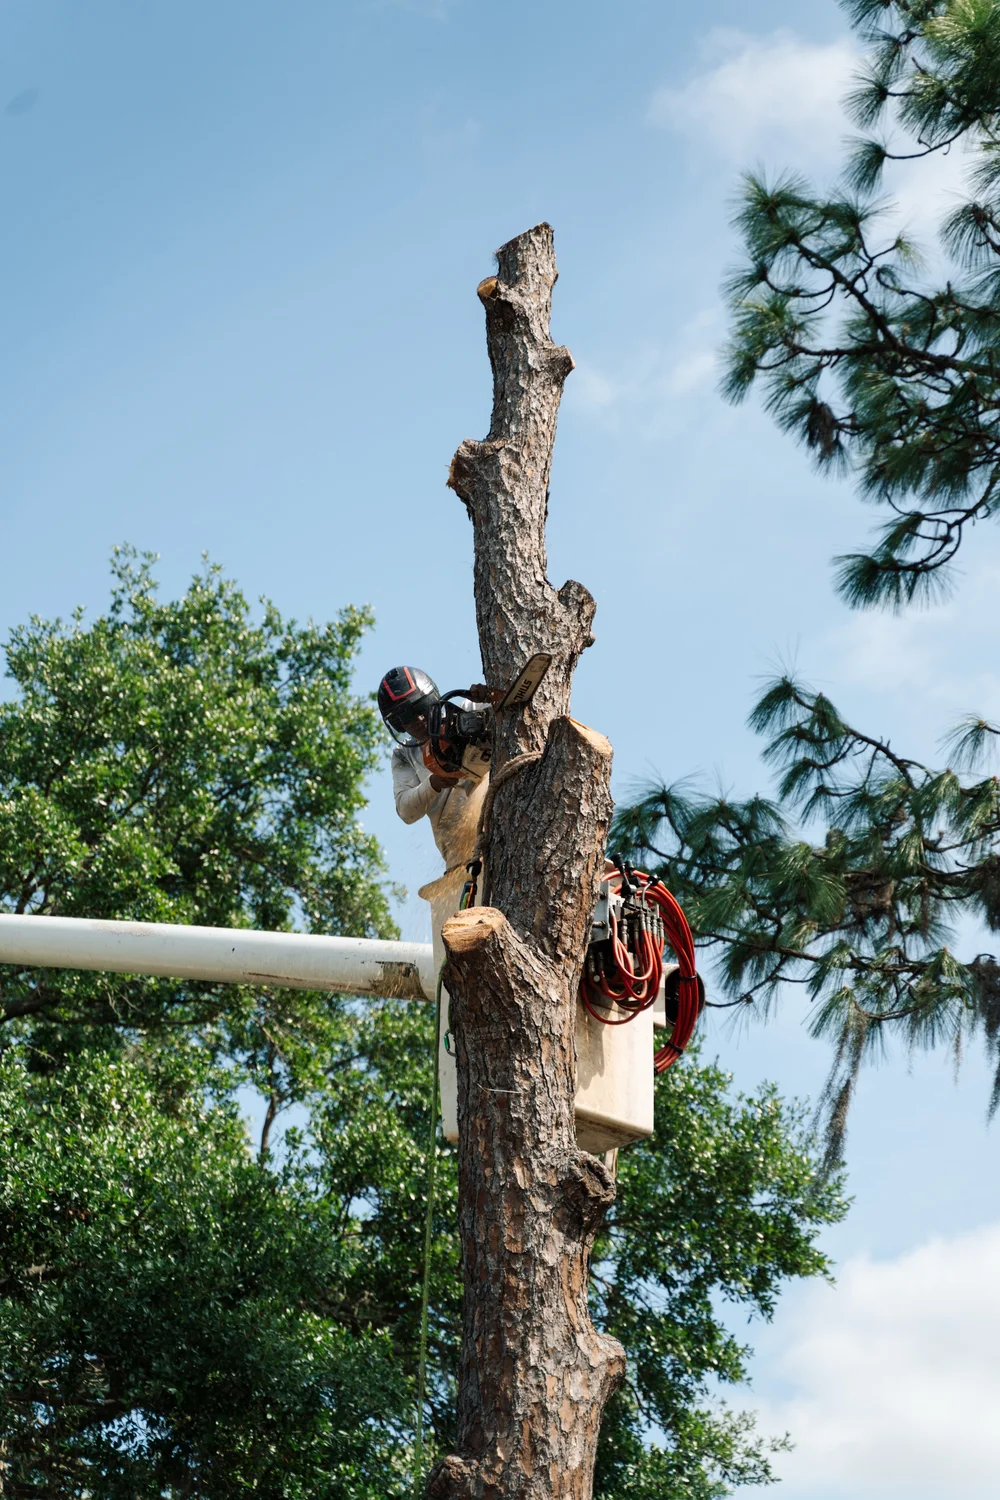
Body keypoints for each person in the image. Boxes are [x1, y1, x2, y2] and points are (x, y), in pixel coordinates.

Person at [377, 665, 485, 874]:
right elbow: (406, 811)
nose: (418, 720)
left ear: (432, 700)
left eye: (420, 709)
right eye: (407, 717)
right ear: (399, 725)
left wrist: (488, 696)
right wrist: (434, 783)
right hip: (459, 857)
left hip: (502, 824)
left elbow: (505, 706)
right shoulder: (404, 755)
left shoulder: (468, 712)